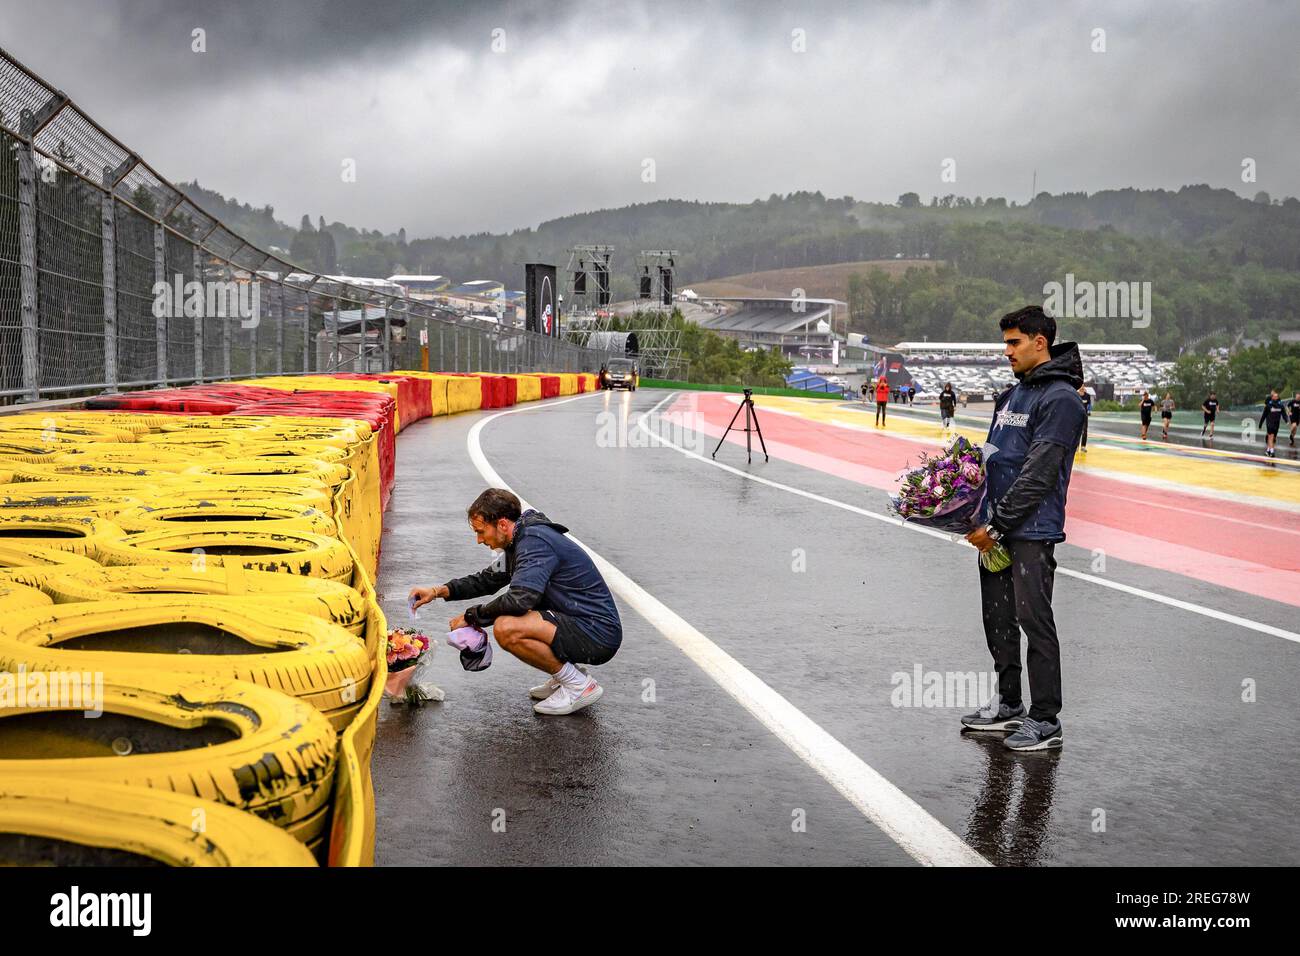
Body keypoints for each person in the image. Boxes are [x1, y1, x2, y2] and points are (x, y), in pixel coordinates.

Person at [963, 306, 1084, 752]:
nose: (1006, 351)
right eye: (1005, 343)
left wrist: (996, 525)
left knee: (1034, 620)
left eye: (1014, 343)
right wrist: (968, 505)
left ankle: (1046, 719)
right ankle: (1009, 705)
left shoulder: (1061, 400)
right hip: (994, 527)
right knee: (997, 617)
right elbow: (994, 456)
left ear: (1041, 342)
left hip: (1030, 529)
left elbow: (1039, 472)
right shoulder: (1011, 396)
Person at [408, 488, 622, 715]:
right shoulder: (521, 539)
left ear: (501, 524)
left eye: (481, 532)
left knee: (506, 627)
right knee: (517, 615)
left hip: (597, 633)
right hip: (580, 623)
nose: (479, 540)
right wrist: (437, 591)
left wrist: (472, 617)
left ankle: (578, 685)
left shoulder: (535, 542)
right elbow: (486, 580)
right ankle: (567, 676)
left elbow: (520, 600)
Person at [1260, 389, 1287, 458]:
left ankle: (1268, 450)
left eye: (1276, 396)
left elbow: (1284, 413)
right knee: (1271, 437)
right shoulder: (1268, 405)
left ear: (1277, 398)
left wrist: (1286, 420)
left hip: (1276, 423)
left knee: (1272, 438)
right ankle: (1272, 452)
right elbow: (1264, 415)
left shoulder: (1280, 406)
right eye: (1273, 396)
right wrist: (1260, 424)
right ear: (1272, 397)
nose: (1275, 397)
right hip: (1269, 422)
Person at [1076, 384, 1091, 451]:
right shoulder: (1076, 394)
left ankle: (1083, 446)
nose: (1082, 387)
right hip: (1077, 415)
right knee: (1076, 430)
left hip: (1084, 415)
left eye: (1083, 386)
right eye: (1081, 386)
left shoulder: (1087, 396)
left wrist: (1089, 411)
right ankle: (1076, 446)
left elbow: (1089, 405)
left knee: (1084, 431)